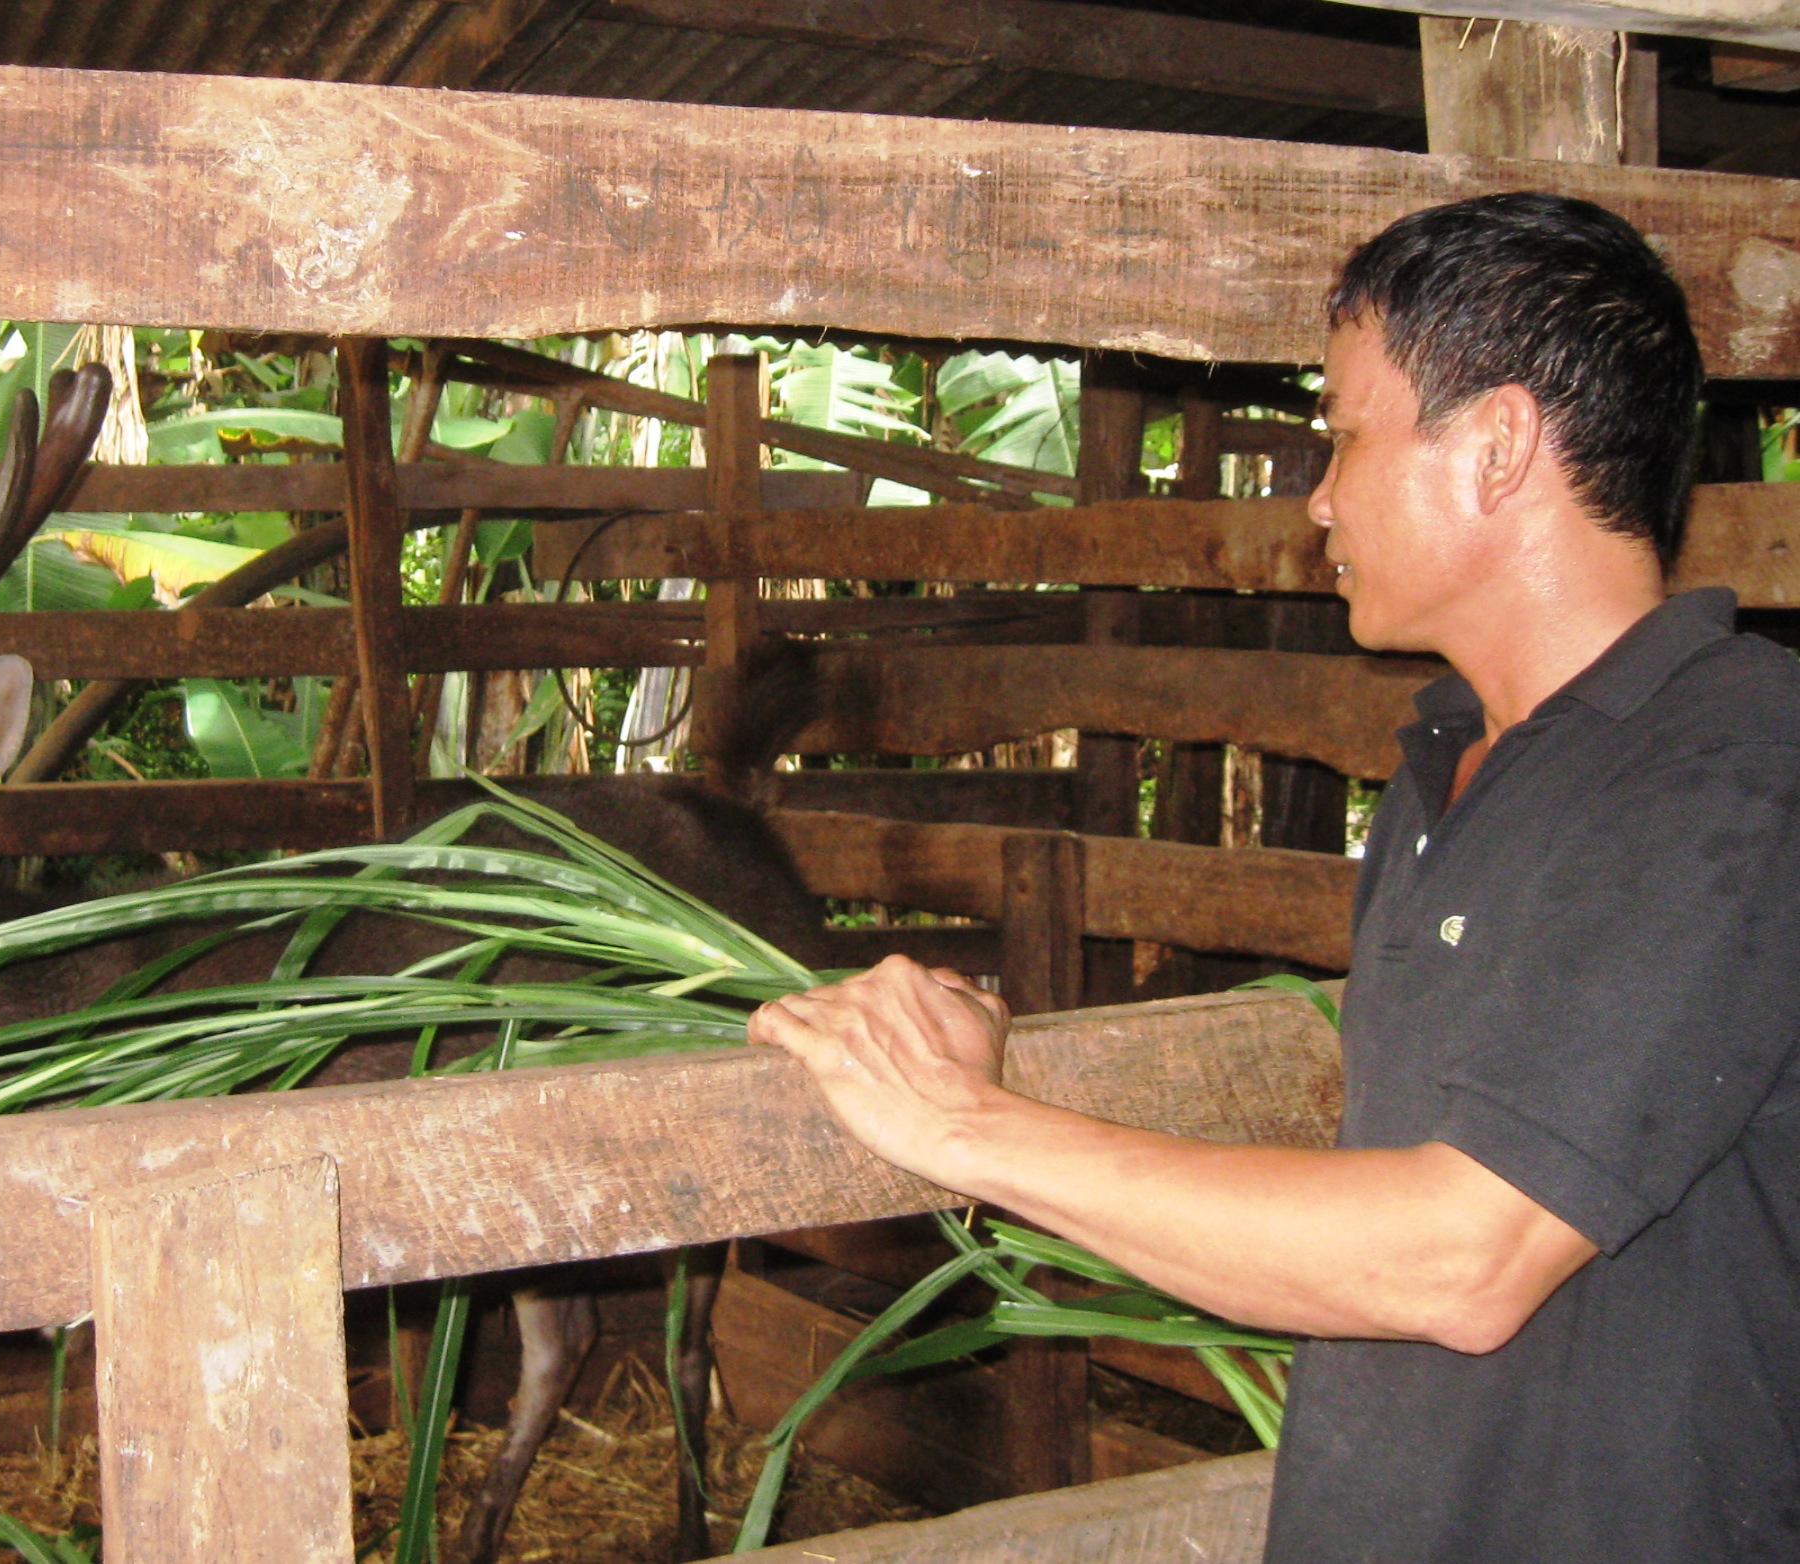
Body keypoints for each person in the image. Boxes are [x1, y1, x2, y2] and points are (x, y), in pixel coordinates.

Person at [750, 192, 1800, 1563]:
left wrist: (958, 1128)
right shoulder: (1444, 772)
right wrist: (999, 1089)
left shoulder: (1737, 758)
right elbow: (1382, 1224)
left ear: (1496, 446)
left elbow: (1461, 1256)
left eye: (1347, 436)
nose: (1316, 499)